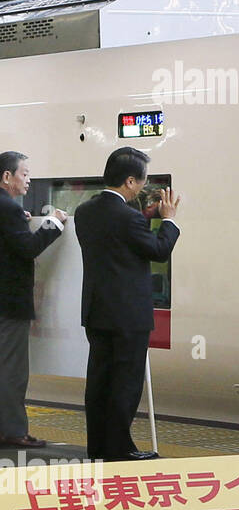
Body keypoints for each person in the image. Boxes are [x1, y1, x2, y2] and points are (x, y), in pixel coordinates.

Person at [75, 148, 180, 461]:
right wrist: (169, 221)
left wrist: (145, 216)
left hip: (97, 311)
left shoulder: (86, 211)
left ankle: (98, 447)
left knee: (99, 382)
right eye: (143, 180)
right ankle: (120, 449)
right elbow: (158, 250)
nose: (145, 185)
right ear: (131, 181)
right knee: (125, 383)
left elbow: (118, 240)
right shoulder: (127, 217)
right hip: (128, 316)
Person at [0, 152, 68, 448]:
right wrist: (53, 222)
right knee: (11, 369)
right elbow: (27, 248)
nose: (28, 180)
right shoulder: (7, 209)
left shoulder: (9, 211)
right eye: (24, 174)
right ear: (6, 177)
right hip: (8, 304)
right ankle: (13, 431)